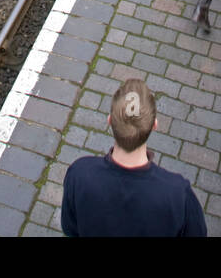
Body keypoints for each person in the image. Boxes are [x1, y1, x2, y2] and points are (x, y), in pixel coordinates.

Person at [61, 78, 207, 237]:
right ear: (154, 125)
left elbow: (70, 228)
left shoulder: (80, 173)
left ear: (110, 121)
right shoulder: (178, 194)